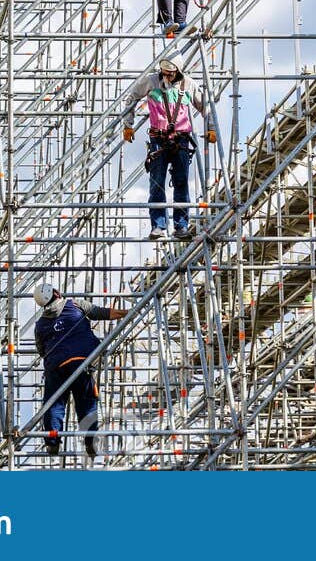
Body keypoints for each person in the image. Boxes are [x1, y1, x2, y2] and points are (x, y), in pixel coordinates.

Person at [122, 53, 214, 239]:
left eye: (171, 73)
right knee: (157, 183)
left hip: (181, 140)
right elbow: (131, 97)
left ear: (178, 72)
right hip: (159, 139)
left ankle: (181, 226)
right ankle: (158, 225)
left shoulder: (187, 84)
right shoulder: (151, 81)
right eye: (165, 72)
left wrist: (210, 128)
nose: (167, 76)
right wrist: (128, 124)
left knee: (181, 183)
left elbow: (206, 106)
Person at [33, 282, 125, 459]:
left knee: (53, 403)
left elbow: (42, 351)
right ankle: (90, 441)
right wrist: (128, 313)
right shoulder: (75, 305)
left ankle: (52, 442)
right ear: (56, 293)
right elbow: (103, 313)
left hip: (55, 366)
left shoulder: (40, 325)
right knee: (87, 401)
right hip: (81, 361)